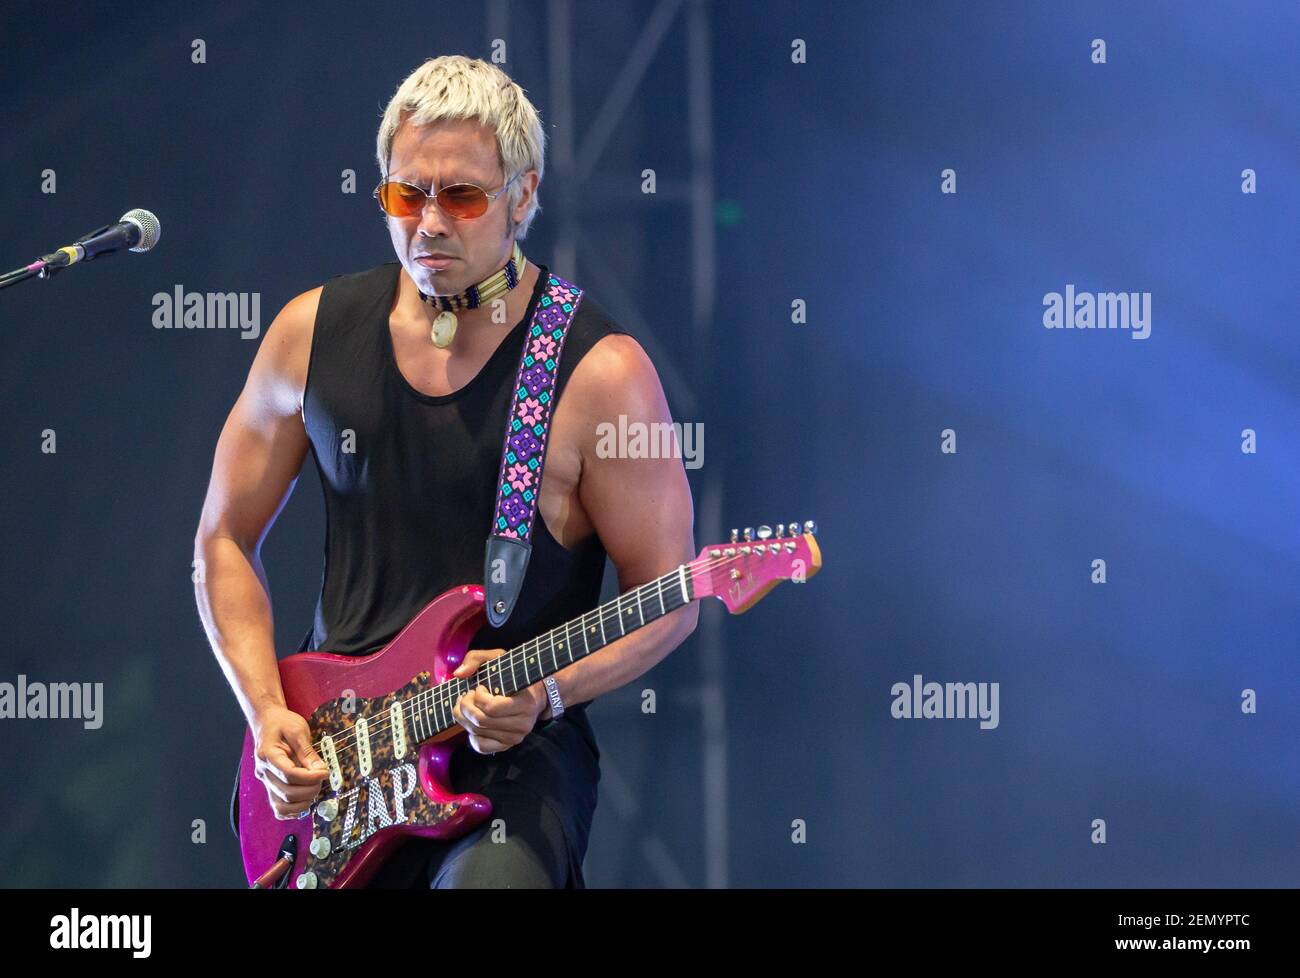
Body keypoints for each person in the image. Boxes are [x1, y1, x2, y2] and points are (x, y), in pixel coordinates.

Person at [194, 55, 698, 888]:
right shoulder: (307, 333)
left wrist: (549, 694)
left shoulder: (599, 372)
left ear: (523, 196)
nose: (429, 222)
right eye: (406, 195)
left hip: (511, 763)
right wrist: (264, 710)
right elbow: (221, 539)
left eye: (462, 196)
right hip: (337, 764)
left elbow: (671, 597)